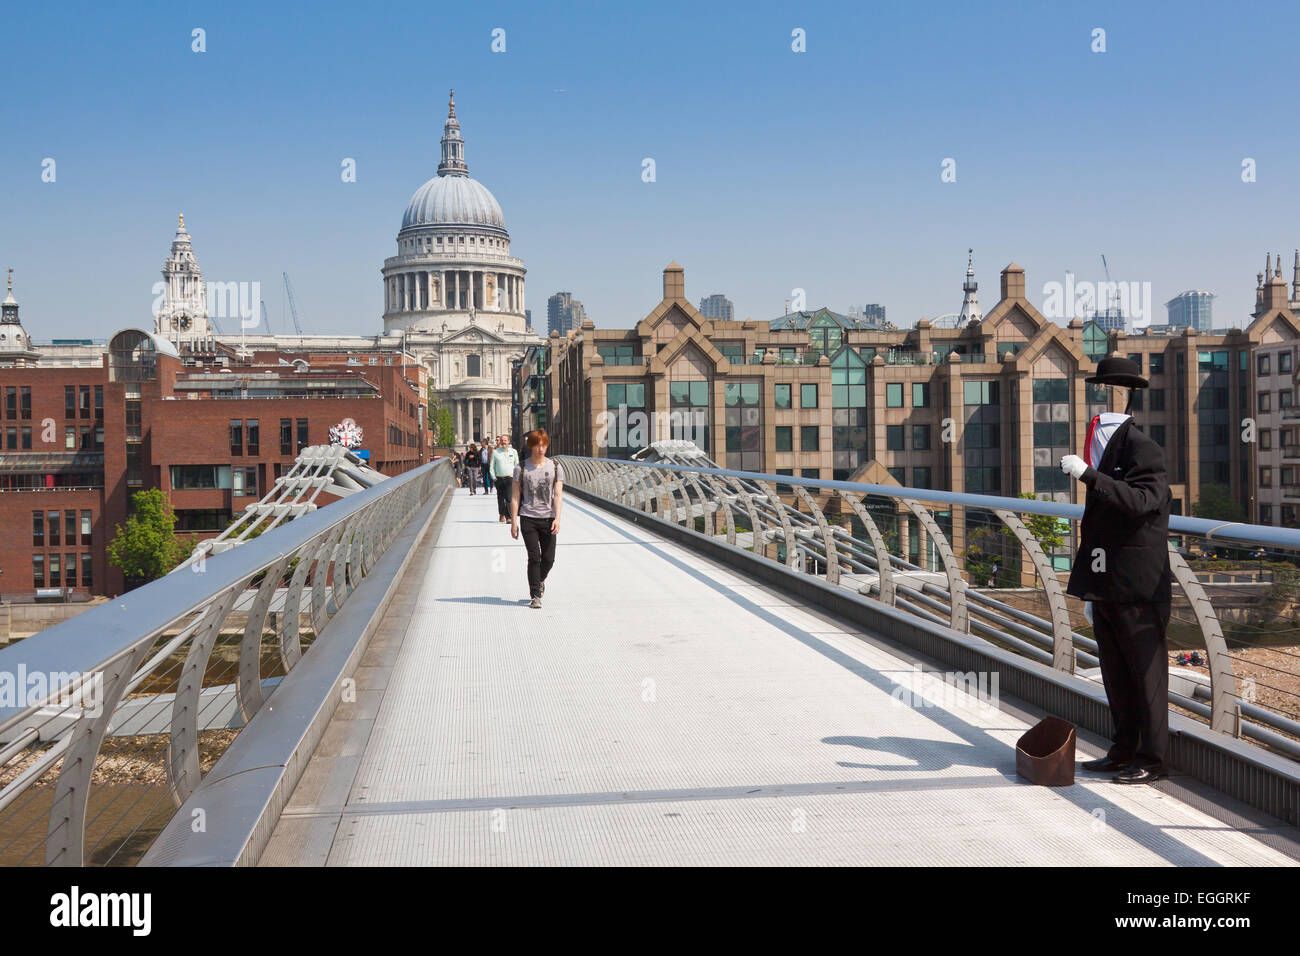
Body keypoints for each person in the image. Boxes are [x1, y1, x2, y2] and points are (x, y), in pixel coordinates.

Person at [1060, 356, 1173, 786]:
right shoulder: (1105, 448)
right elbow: (1098, 526)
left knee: (1146, 677)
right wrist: (1091, 587)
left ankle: (1154, 758)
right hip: (1107, 580)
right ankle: (1123, 749)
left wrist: (1090, 476)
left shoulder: (1143, 447)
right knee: (1115, 673)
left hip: (1138, 584)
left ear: (1123, 397)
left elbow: (1143, 501)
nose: (1098, 404)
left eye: (1106, 391)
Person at [510, 429, 564, 609]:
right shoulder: (521, 468)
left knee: (549, 559)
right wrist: (514, 521)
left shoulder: (555, 466)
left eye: (543, 445)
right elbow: (516, 496)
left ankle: (539, 579)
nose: (540, 449)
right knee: (534, 557)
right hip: (528, 517)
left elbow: (557, 495)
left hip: (548, 518)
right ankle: (535, 595)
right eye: (536, 445)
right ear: (531, 446)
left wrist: (557, 517)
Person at [490, 434, 520, 523]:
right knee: (500, 497)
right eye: (502, 440)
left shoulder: (513, 452)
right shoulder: (495, 452)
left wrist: (516, 476)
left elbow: (517, 465)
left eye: (505, 440)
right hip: (498, 478)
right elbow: (491, 466)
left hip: (510, 477)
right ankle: (501, 514)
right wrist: (493, 477)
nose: (503, 442)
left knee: (509, 497)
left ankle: (509, 517)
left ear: (508, 441)